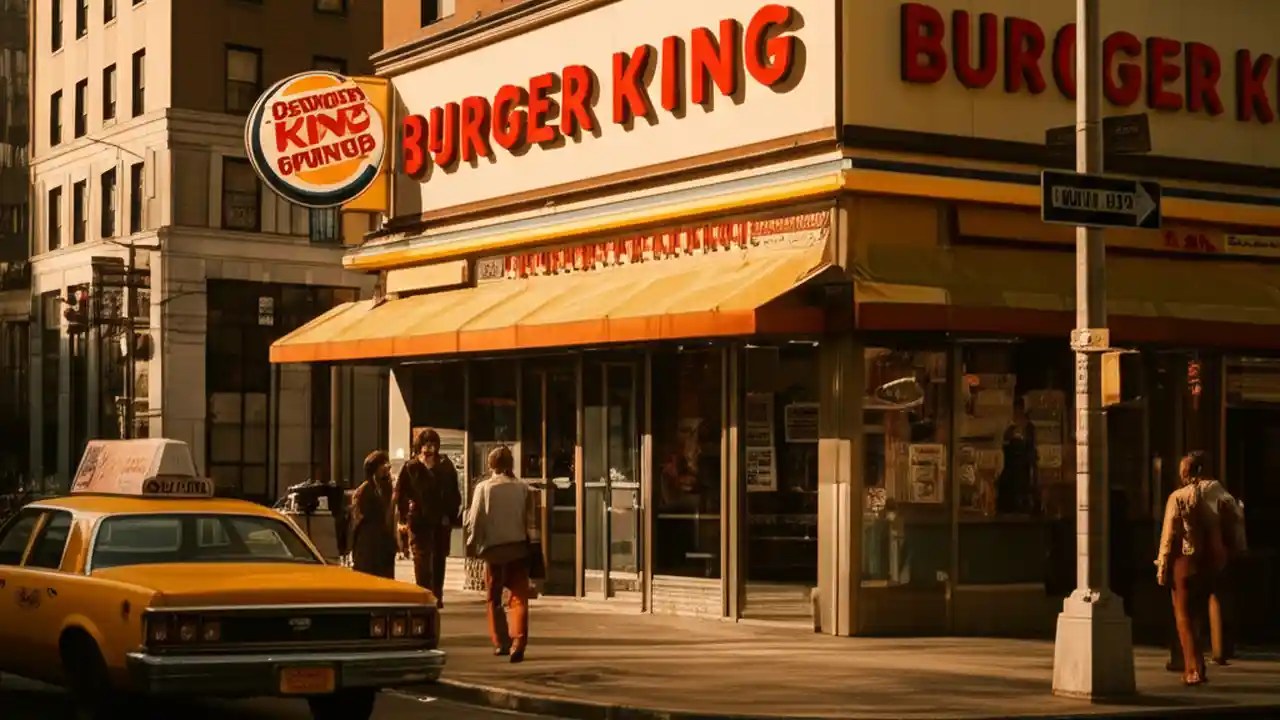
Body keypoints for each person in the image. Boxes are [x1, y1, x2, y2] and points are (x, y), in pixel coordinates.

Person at [1156, 451, 1236, 685]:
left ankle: (1193, 669)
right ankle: (1199, 664)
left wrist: (1162, 567)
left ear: (1189, 471)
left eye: (1183, 468)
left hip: (1185, 563)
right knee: (1199, 615)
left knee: (1184, 618)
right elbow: (1236, 516)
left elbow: (1168, 537)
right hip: (1210, 561)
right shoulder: (1218, 494)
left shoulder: (1178, 497)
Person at [465, 445, 538, 663]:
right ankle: (519, 642)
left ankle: (501, 642)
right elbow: (530, 521)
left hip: (494, 551)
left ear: (491, 465)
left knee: (494, 598)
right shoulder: (523, 488)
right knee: (519, 598)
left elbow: (475, 520)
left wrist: (472, 544)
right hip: (518, 548)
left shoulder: (484, 488)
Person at [393, 429, 462, 607]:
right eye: (425, 445)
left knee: (439, 559)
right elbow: (400, 493)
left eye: (432, 445)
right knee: (421, 560)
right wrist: (403, 516)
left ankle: (437, 594)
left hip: (440, 521)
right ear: (420, 447)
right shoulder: (411, 467)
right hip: (418, 521)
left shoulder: (445, 467)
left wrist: (450, 515)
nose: (429, 449)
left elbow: (454, 494)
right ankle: (424, 593)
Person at [349, 450, 397, 579]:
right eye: (383, 464)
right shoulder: (364, 490)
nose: (387, 467)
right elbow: (357, 518)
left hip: (384, 541)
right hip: (368, 541)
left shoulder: (386, 488)